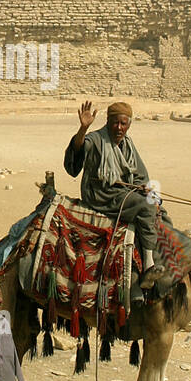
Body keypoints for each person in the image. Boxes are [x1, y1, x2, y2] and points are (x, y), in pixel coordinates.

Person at [63, 100, 164, 263]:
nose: (119, 127)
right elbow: (79, 149)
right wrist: (83, 129)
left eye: (123, 123)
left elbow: (140, 175)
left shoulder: (127, 145)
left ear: (129, 125)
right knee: (147, 207)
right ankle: (149, 263)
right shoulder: (96, 139)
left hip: (121, 193)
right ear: (108, 122)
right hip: (101, 194)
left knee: (159, 208)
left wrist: (146, 190)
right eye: (115, 122)